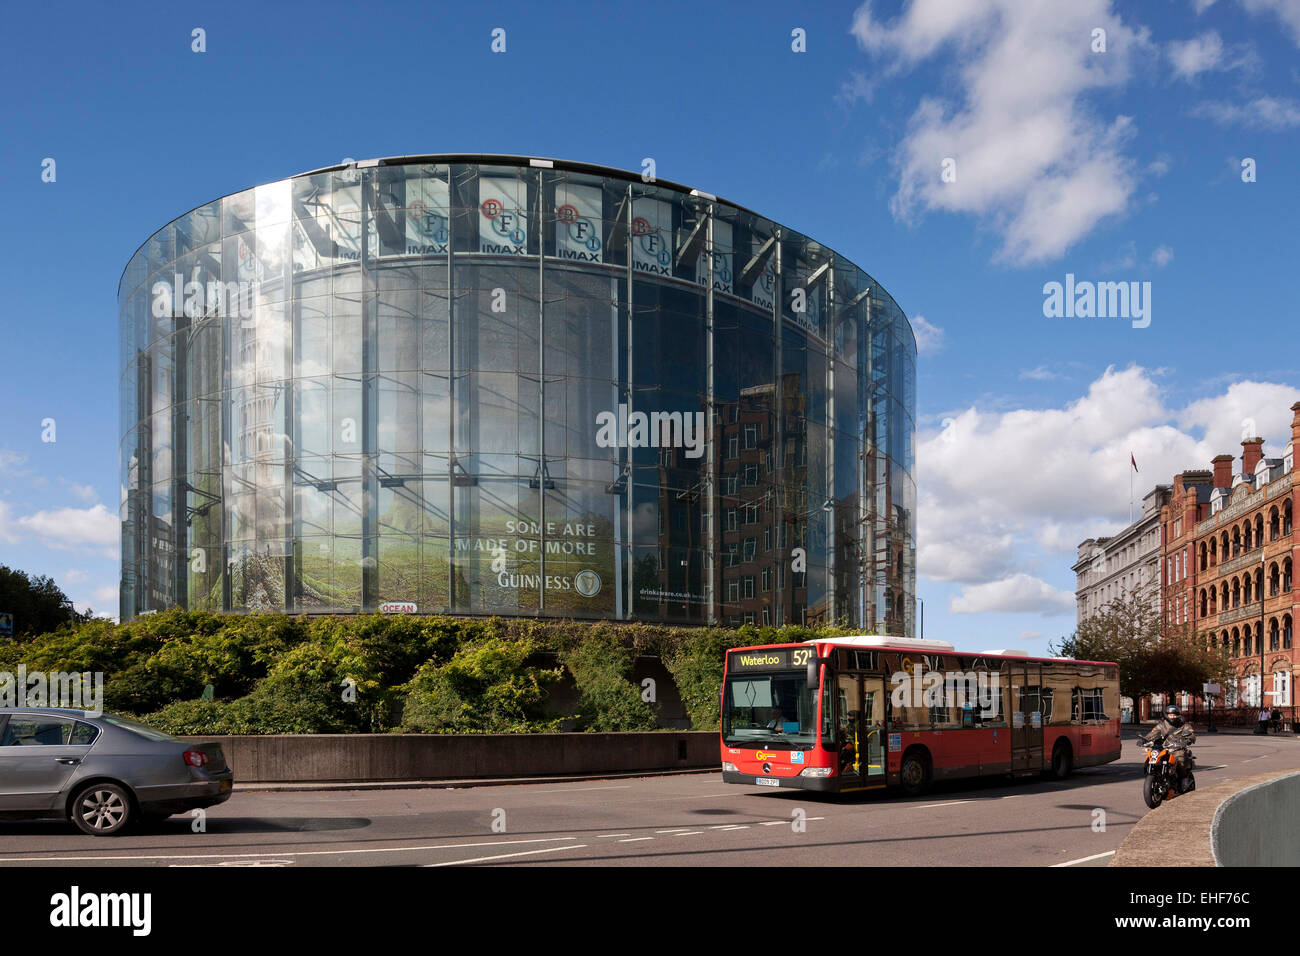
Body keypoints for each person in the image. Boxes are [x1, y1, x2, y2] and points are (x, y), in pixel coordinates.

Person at [1141, 704, 1196, 791]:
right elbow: (1153, 733)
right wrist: (1145, 739)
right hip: (1164, 748)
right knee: (1153, 758)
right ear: (1167, 715)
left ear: (1178, 715)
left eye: (1174, 715)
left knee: (1180, 761)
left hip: (1178, 748)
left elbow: (1191, 734)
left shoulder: (1184, 725)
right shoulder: (1162, 725)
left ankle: (1184, 779)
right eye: (1170, 715)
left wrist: (1189, 740)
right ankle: (1157, 777)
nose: (1172, 717)